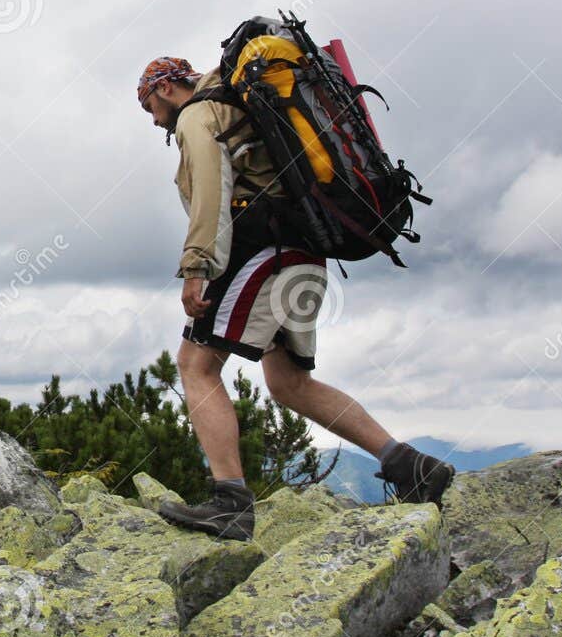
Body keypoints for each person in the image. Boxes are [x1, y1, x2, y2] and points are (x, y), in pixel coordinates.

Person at [137, 55, 455, 541]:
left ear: (163, 89)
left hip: (258, 248)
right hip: (306, 253)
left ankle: (230, 503)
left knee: (196, 365)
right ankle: (410, 465)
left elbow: (211, 193)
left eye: (148, 107)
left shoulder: (200, 115)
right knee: (289, 383)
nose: (154, 120)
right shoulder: (243, 110)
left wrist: (196, 266)